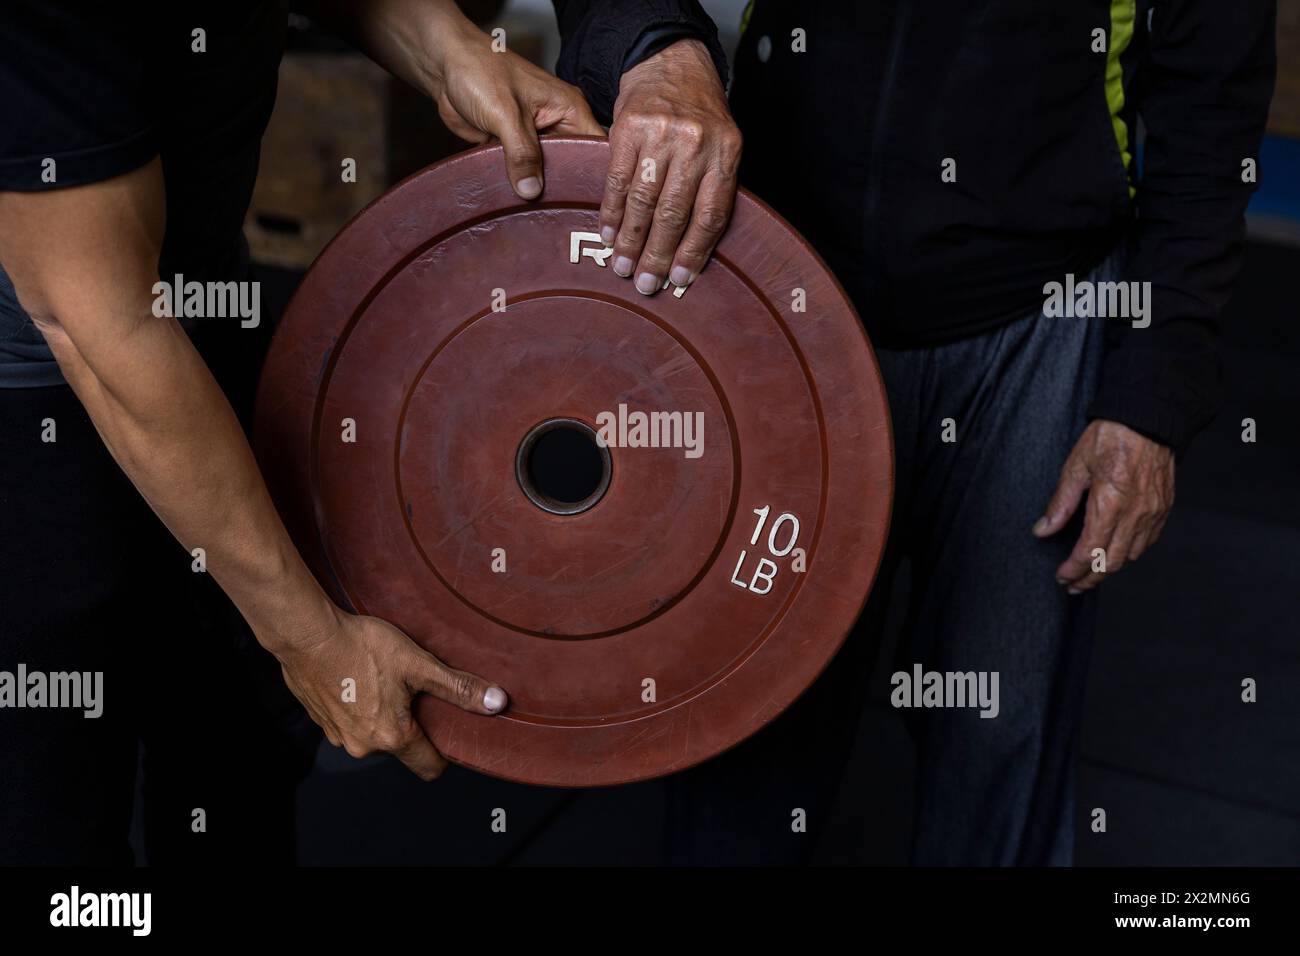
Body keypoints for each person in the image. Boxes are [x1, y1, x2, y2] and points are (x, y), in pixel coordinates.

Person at [550, 0, 1276, 863]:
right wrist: (653, 47)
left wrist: (1151, 400)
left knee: (999, 736)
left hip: (1035, 319)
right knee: (745, 737)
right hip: (786, 295)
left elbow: (1212, 116)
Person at [0, 0, 615, 866]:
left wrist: (450, 52)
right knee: (50, 800)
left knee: (236, 753)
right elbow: (98, 327)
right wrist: (315, 642)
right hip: (48, 383)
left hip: (197, 311)